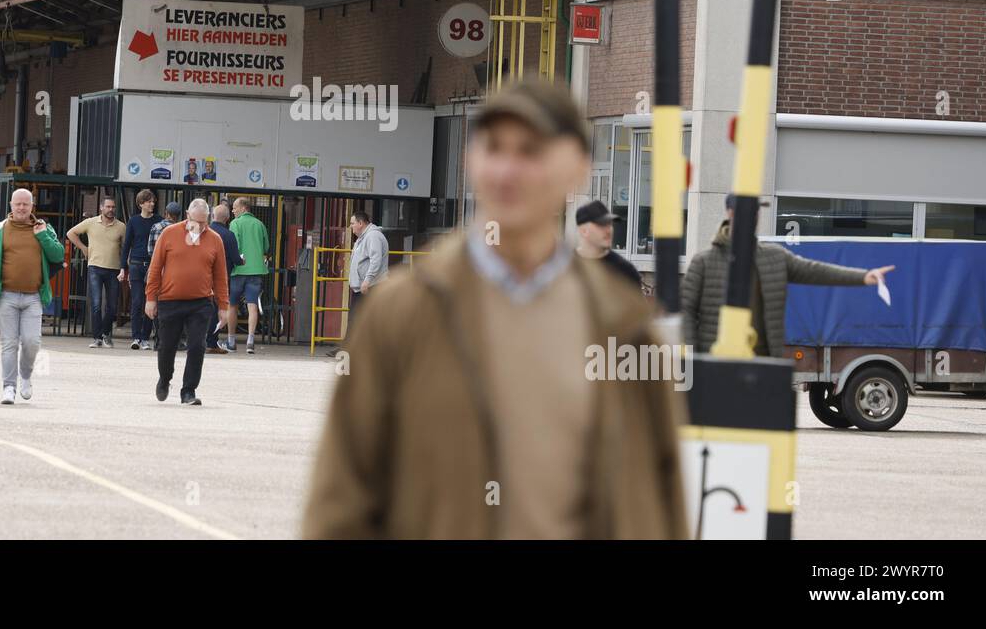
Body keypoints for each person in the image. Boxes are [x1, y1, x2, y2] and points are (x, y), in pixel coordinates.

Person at [303, 78, 688, 539]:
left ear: (579, 168)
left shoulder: (622, 323)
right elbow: (341, 494)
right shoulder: (403, 312)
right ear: (471, 161)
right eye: (494, 148)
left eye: (531, 151)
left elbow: (661, 493)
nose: (508, 170)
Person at [681, 194, 895, 358]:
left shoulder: (774, 257)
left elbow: (814, 270)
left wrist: (863, 276)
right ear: (731, 213)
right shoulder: (704, 261)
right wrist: (693, 358)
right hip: (715, 359)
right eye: (750, 210)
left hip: (762, 361)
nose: (755, 216)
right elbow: (686, 311)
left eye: (757, 211)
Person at [0, 188, 65, 405]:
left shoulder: (43, 228)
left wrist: (42, 236)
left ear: (32, 206)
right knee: (9, 343)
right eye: (18, 204)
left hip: (33, 296)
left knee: (32, 342)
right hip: (6, 296)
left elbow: (58, 255)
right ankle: (9, 387)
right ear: (11, 206)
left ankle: (25, 376)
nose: (22, 208)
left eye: (26, 204)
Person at [146, 199, 229, 406]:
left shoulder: (215, 239)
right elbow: (155, 268)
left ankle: (188, 391)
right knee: (167, 346)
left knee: (197, 346)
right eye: (196, 221)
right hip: (169, 300)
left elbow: (220, 276)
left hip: (200, 303)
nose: (200, 226)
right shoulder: (169, 234)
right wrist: (150, 298)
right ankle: (165, 379)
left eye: (204, 222)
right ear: (187, 215)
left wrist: (224, 306)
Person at [68, 197, 126, 348]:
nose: (111, 209)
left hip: (113, 269)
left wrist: (124, 267)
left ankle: (106, 333)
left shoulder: (121, 227)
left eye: (113, 207)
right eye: (108, 206)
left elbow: (125, 248)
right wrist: (83, 248)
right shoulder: (91, 222)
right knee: (96, 304)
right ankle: (97, 338)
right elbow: (71, 233)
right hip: (95, 267)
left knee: (112, 306)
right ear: (101, 208)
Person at [119, 190, 163, 351]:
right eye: (149, 201)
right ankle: (136, 337)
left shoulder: (159, 221)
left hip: (153, 264)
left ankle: (145, 337)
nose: (152, 204)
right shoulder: (133, 221)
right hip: (137, 264)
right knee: (137, 301)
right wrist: (123, 268)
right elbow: (126, 245)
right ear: (141, 204)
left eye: (153, 201)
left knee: (150, 301)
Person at [228, 197, 271, 354]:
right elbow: (266, 246)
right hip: (256, 271)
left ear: (244, 208)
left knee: (232, 305)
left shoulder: (235, 224)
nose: (233, 211)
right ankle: (250, 340)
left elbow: (235, 245)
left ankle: (231, 341)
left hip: (238, 271)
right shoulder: (260, 224)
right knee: (252, 305)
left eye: (235, 208)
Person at [574, 200, 643, 291]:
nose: (608, 230)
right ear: (584, 231)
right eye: (601, 224)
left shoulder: (625, 271)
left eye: (609, 224)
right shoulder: (562, 267)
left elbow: (636, 305)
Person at [345, 210, 388, 338]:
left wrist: (367, 280)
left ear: (360, 223)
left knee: (357, 318)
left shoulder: (372, 236)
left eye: (352, 223)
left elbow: (376, 260)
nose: (351, 226)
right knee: (356, 318)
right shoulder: (363, 238)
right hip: (363, 285)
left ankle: (348, 348)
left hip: (369, 285)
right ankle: (348, 348)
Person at [207, 203, 243, 354]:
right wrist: (241, 260)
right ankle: (211, 342)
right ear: (227, 219)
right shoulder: (229, 235)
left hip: (202, 277)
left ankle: (196, 340)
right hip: (221, 278)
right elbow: (236, 259)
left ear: (212, 216)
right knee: (217, 309)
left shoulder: (204, 231)